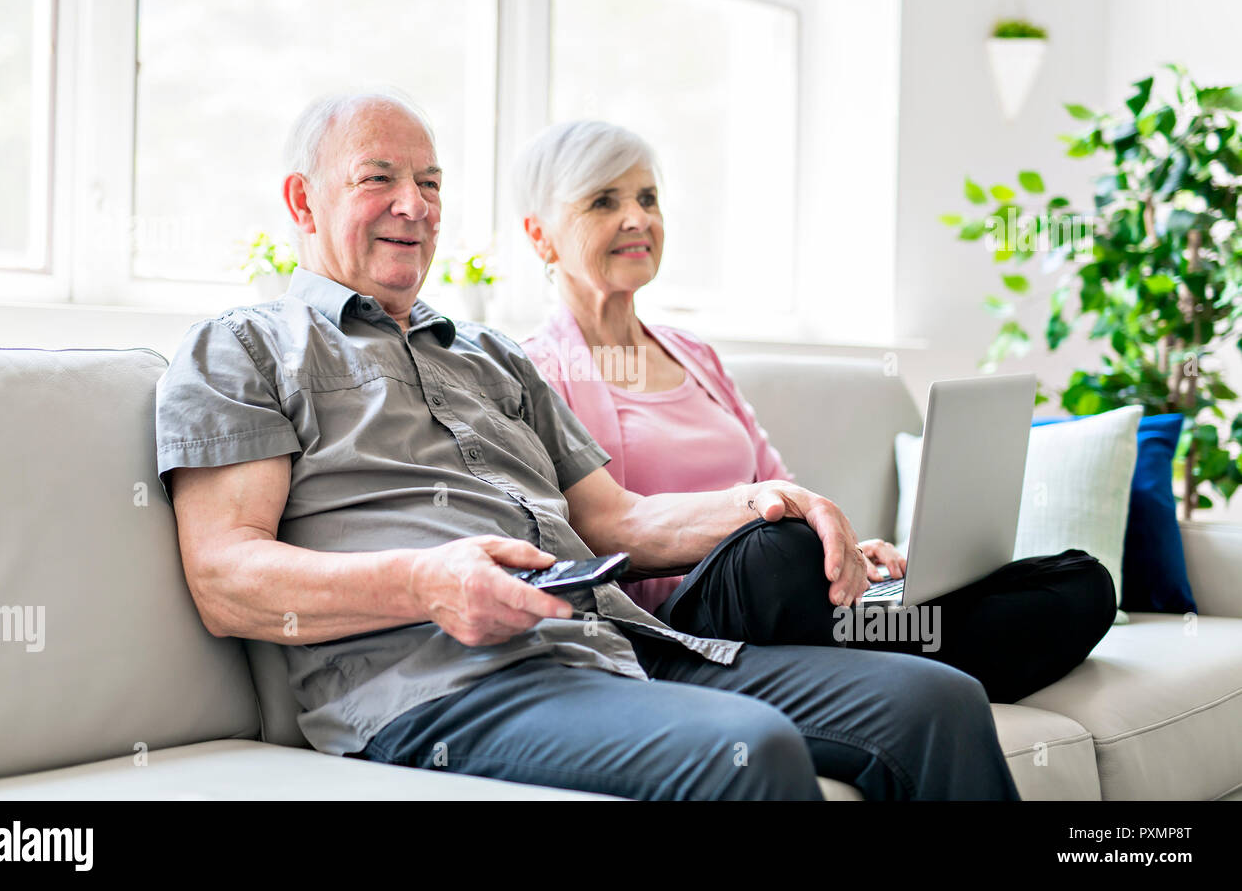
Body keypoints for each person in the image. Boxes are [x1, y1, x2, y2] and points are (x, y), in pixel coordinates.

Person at [155, 88, 1021, 801]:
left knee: (937, 700)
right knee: (748, 749)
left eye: (430, 182)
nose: (414, 206)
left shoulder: (488, 353)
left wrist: (759, 501)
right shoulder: (245, 347)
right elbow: (227, 577)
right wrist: (429, 580)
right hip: (450, 691)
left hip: (620, 651)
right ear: (303, 201)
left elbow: (618, 519)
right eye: (378, 179)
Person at [517, 119, 1116, 705]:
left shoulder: (693, 355)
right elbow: (593, 538)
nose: (637, 218)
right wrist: (800, 544)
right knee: (773, 551)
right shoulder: (536, 369)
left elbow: (783, 484)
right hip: (691, 618)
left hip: (793, 604)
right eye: (603, 201)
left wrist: (850, 552)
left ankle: (900, 672)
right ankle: (945, 660)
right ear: (540, 235)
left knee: (1080, 580)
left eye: (648, 197)